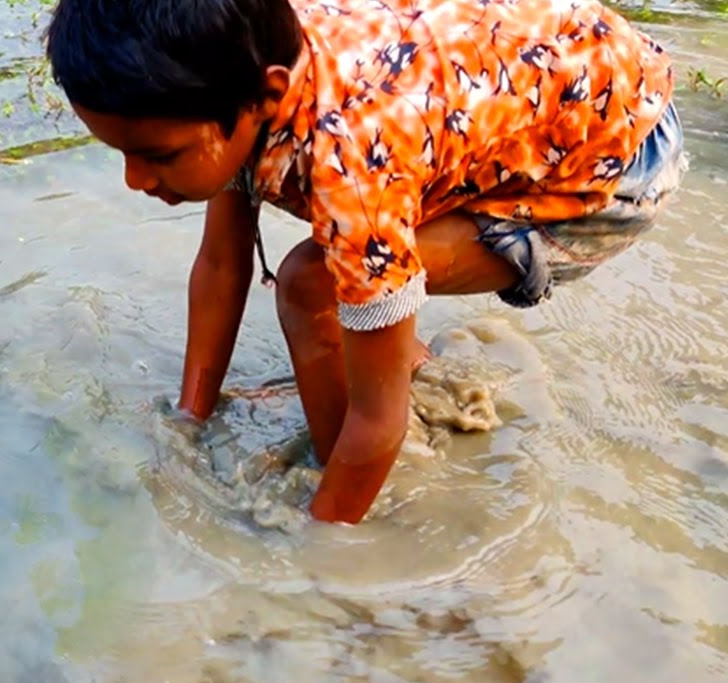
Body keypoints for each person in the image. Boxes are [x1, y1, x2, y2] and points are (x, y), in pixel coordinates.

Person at [44, 0, 687, 524]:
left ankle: (350, 478)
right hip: (537, 95)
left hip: (614, 165)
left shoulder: (351, 161)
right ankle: (388, 359)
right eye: (120, 153)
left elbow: (378, 424)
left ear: (265, 99)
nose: (134, 179)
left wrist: (320, 553)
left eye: (159, 155)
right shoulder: (242, 59)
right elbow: (220, 265)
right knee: (355, 278)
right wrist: (189, 421)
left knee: (310, 285)